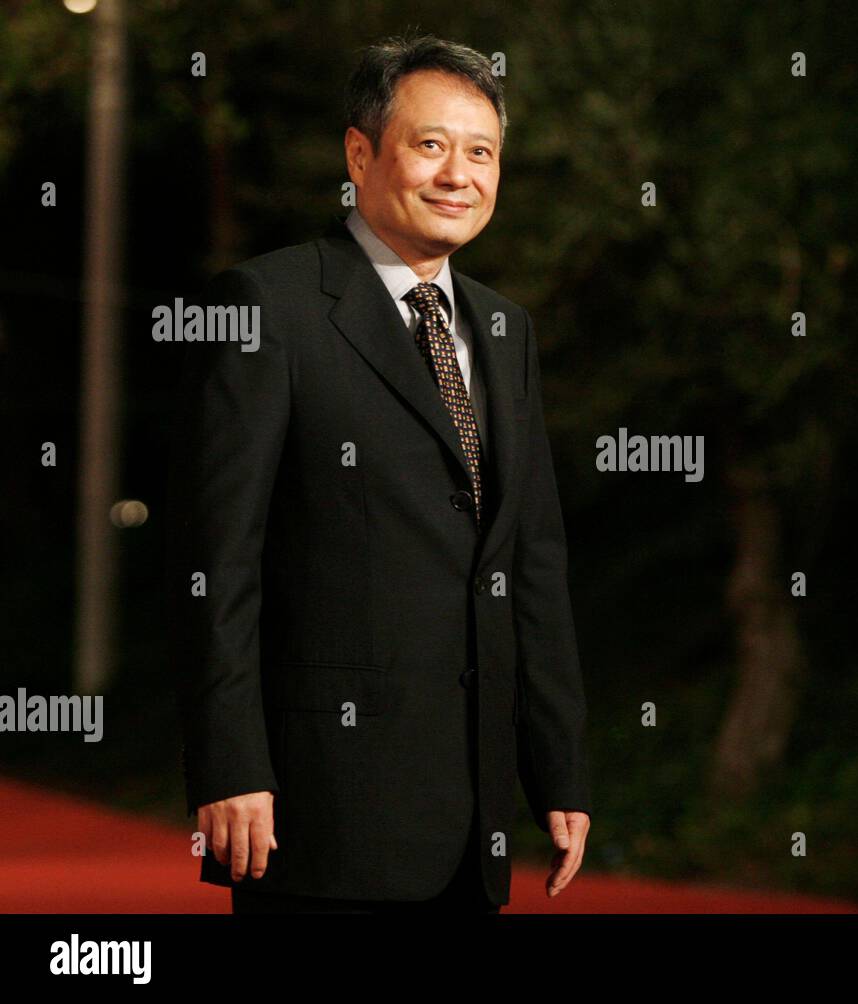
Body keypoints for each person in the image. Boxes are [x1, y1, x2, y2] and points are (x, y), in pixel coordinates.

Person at [164, 34, 592, 913]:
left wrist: (559, 768)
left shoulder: (505, 332)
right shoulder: (267, 306)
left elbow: (532, 561)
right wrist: (231, 762)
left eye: (481, 153)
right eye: (430, 145)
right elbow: (215, 560)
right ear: (360, 153)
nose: (458, 175)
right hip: (322, 812)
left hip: (473, 823)